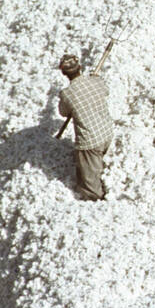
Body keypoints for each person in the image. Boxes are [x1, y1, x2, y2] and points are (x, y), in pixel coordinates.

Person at [57, 54, 113, 201]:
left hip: (90, 142)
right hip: (106, 132)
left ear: (64, 73)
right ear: (80, 67)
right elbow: (105, 90)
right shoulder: (96, 82)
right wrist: (94, 79)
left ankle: (96, 206)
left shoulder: (67, 94)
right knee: (97, 164)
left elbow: (63, 112)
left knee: (89, 186)